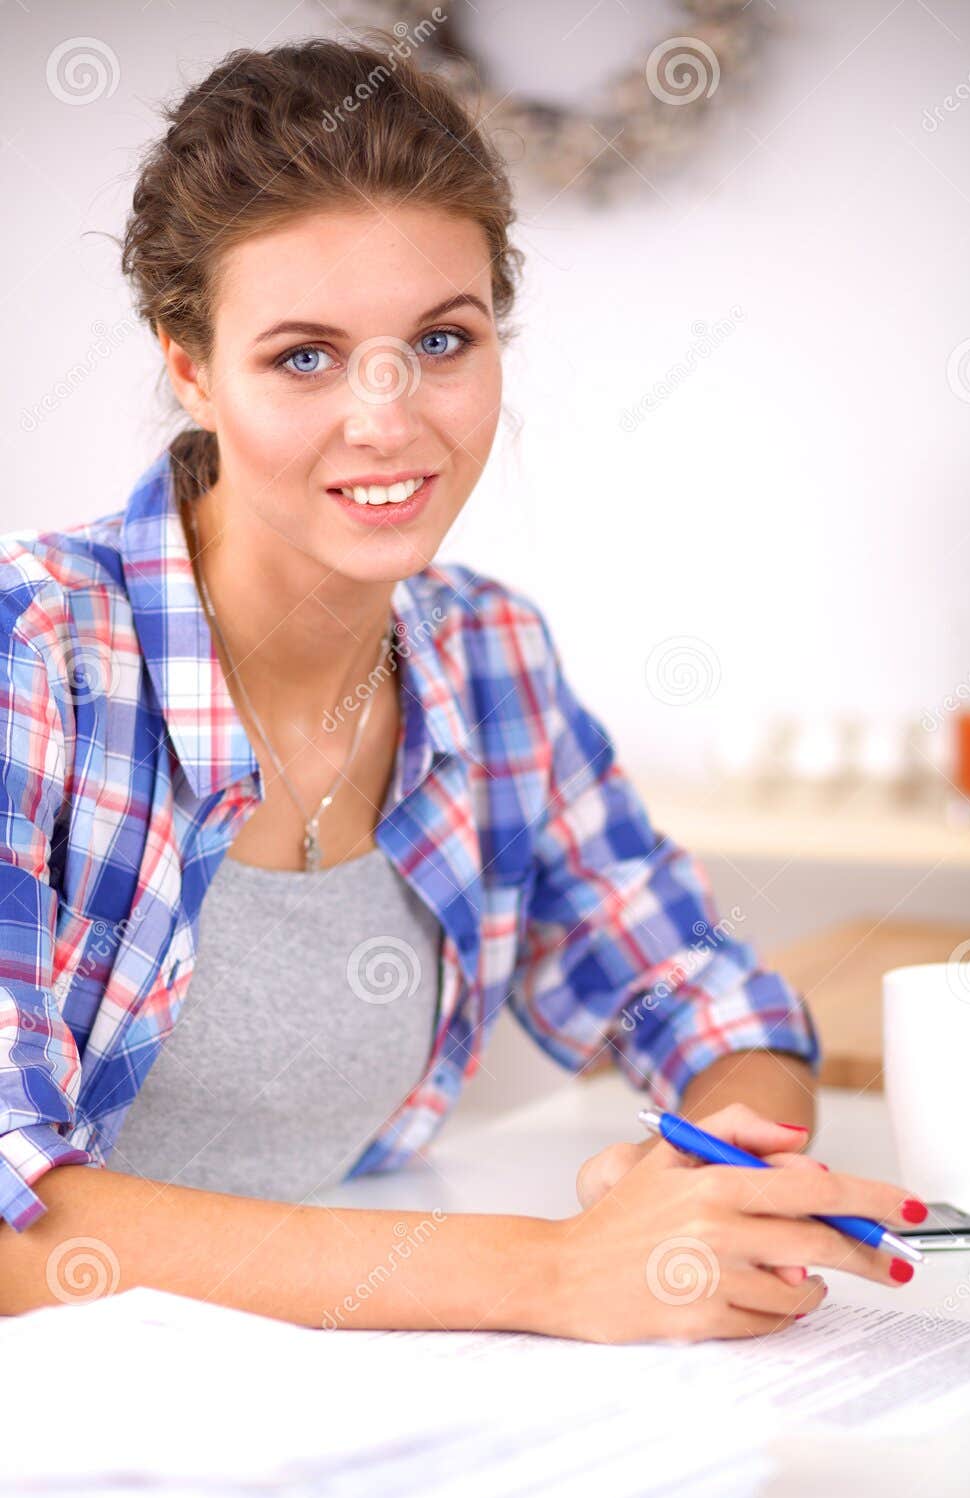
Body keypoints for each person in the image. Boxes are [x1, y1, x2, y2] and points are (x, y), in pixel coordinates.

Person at [0, 39, 923, 1339]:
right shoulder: (33, 661)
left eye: (441, 338)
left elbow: (698, 989)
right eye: (305, 357)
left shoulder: (487, 656)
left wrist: (715, 1173)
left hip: (367, 1404)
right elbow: (11, 1217)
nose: (388, 416)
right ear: (192, 366)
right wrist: (555, 1268)